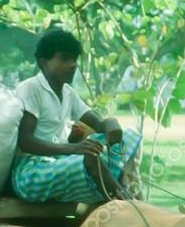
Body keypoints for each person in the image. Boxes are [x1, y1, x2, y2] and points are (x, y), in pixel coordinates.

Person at [11, 29, 142, 202]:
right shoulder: (31, 88)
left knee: (127, 137)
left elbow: (99, 125)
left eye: (74, 59)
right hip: (32, 172)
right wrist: (74, 149)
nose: (73, 65)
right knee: (89, 159)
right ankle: (125, 204)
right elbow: (26, 141)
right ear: (44, 63)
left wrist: (111, 123)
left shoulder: (68, 93)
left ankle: (121, 189)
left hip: (58, 163)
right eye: (65, 58)